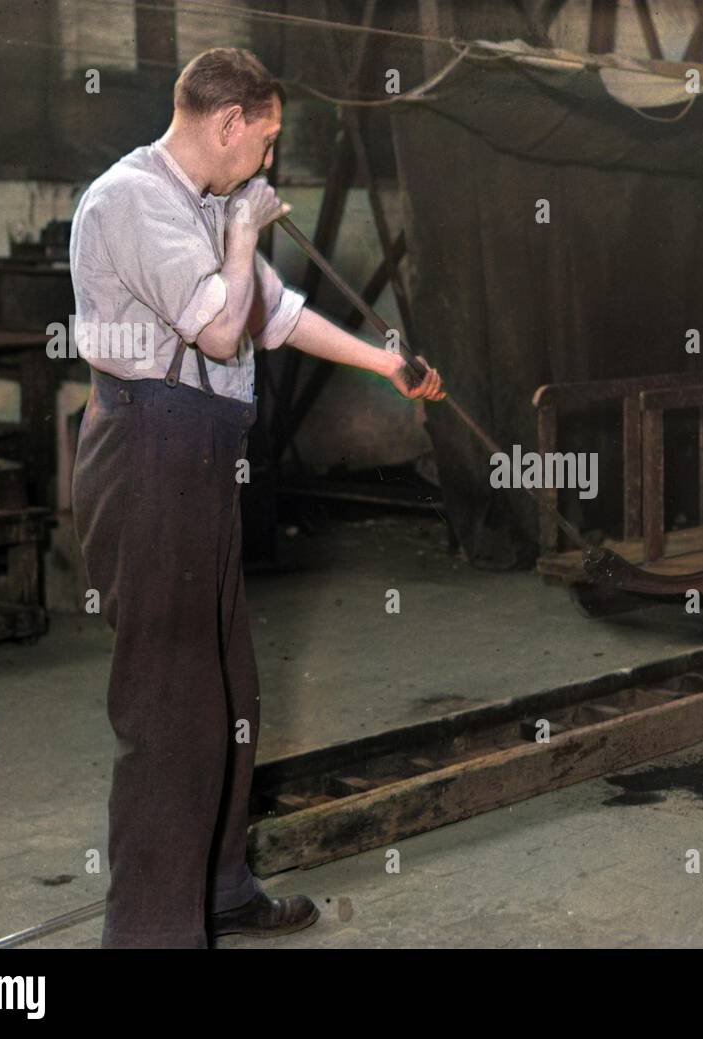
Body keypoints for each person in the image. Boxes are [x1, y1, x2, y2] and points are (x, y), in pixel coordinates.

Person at [70, 47, 445, 947]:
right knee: (169, 709)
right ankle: (154, 934)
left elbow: (275, 316)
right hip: (149, 452)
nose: (269, 161)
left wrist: (388, 363)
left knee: (231, 694)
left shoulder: (204, 203)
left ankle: (222, 888)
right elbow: (217, 320)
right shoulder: (130, 200)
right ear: (228, 121)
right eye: (267, 139)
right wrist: (243, 235)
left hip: (201, 457)